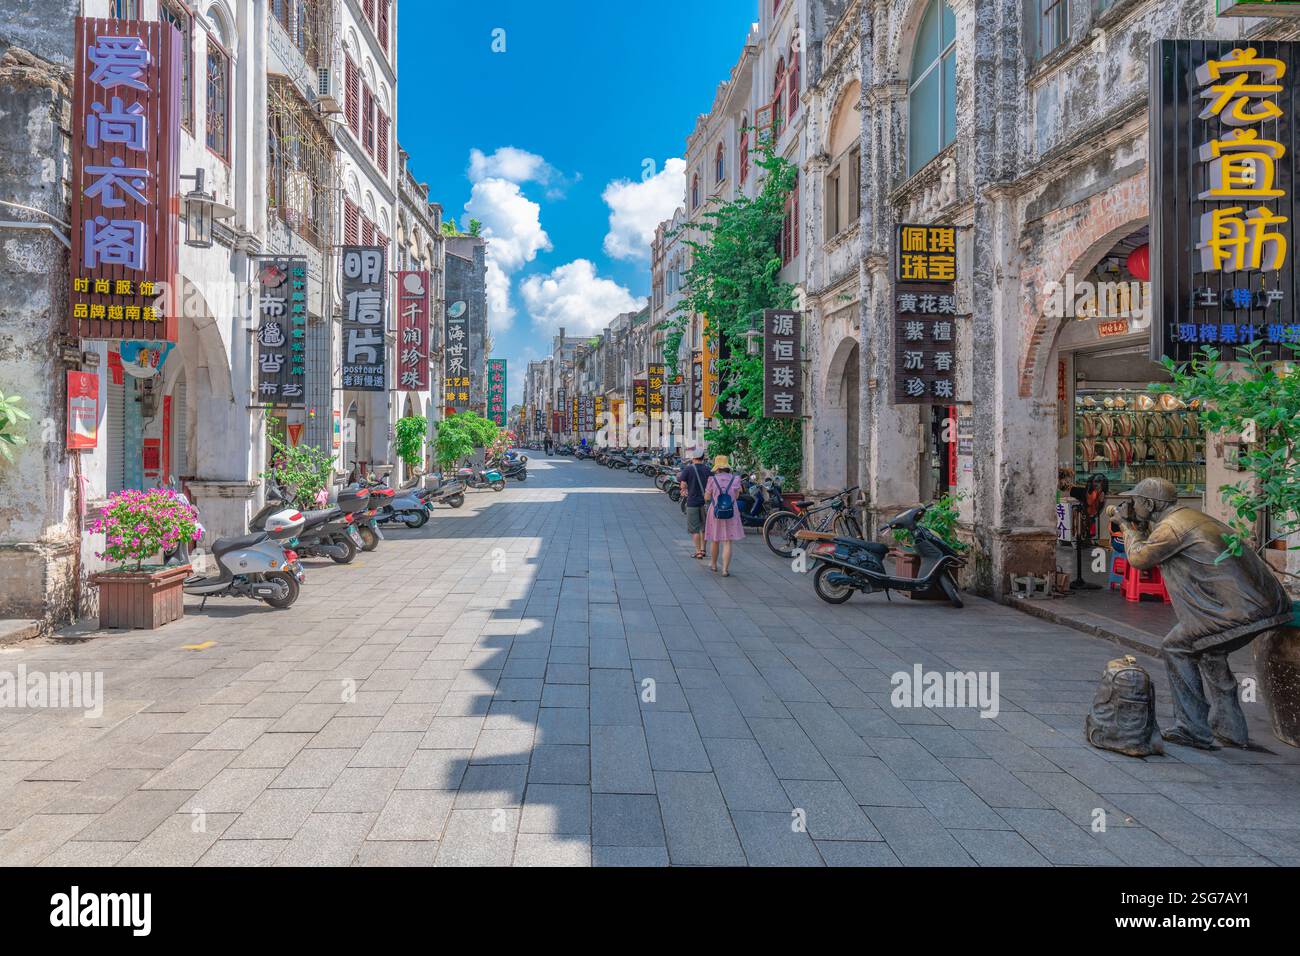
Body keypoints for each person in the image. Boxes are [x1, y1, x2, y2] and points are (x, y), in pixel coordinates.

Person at [1108, 477, 1291, 750]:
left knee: (1175, 647)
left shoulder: (1171, 527)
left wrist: (1124, 524)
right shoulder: (1189, 517)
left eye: (1135, 501)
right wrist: (1139, 525)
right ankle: (1230, 728)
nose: (1132, 505)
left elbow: (1138, 558)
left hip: (1237, 611)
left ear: (1148, 503)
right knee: (1209, 650)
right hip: (1263, 605)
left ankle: (1192, 728)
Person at [704, 454, 744, 575]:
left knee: (715, 539)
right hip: (731, 511)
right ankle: (725, 570)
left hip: (715, 511)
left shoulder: (712, 480)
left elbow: (707, 497)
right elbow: (737, 496)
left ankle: (714, 564)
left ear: (717, 468)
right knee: (727, 541)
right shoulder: (736, 479)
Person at [677, 448, 712, 560]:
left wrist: (685, 489)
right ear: (703, 458)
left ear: (693, 458)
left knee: (694, 529)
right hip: (705, 503)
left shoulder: (688, 469)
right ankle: (703, 549)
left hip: (692, 502)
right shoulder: (708, 470)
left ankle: (698, 552)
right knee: (704, 527)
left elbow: (683, 485)